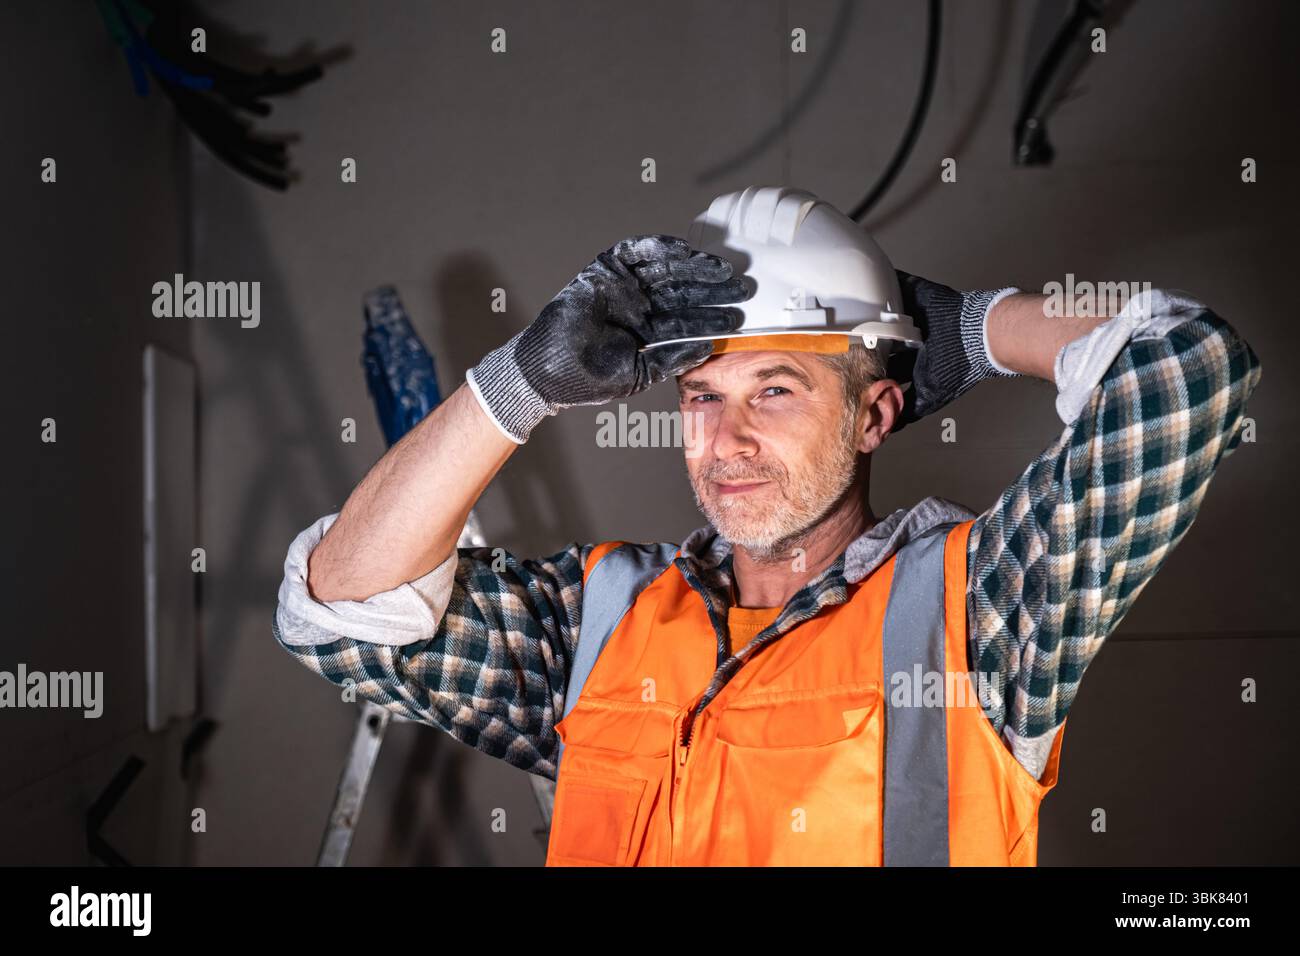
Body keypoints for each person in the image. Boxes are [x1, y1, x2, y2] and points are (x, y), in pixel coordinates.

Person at [273, 190, 1260, 866]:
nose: (727, 438)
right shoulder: (600, 618)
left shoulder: (975, 613)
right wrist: (516, 387)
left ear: (874, 415)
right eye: (702, 394)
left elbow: (1188, 372)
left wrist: (980, 329)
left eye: (776, 389)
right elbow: (342, 609)